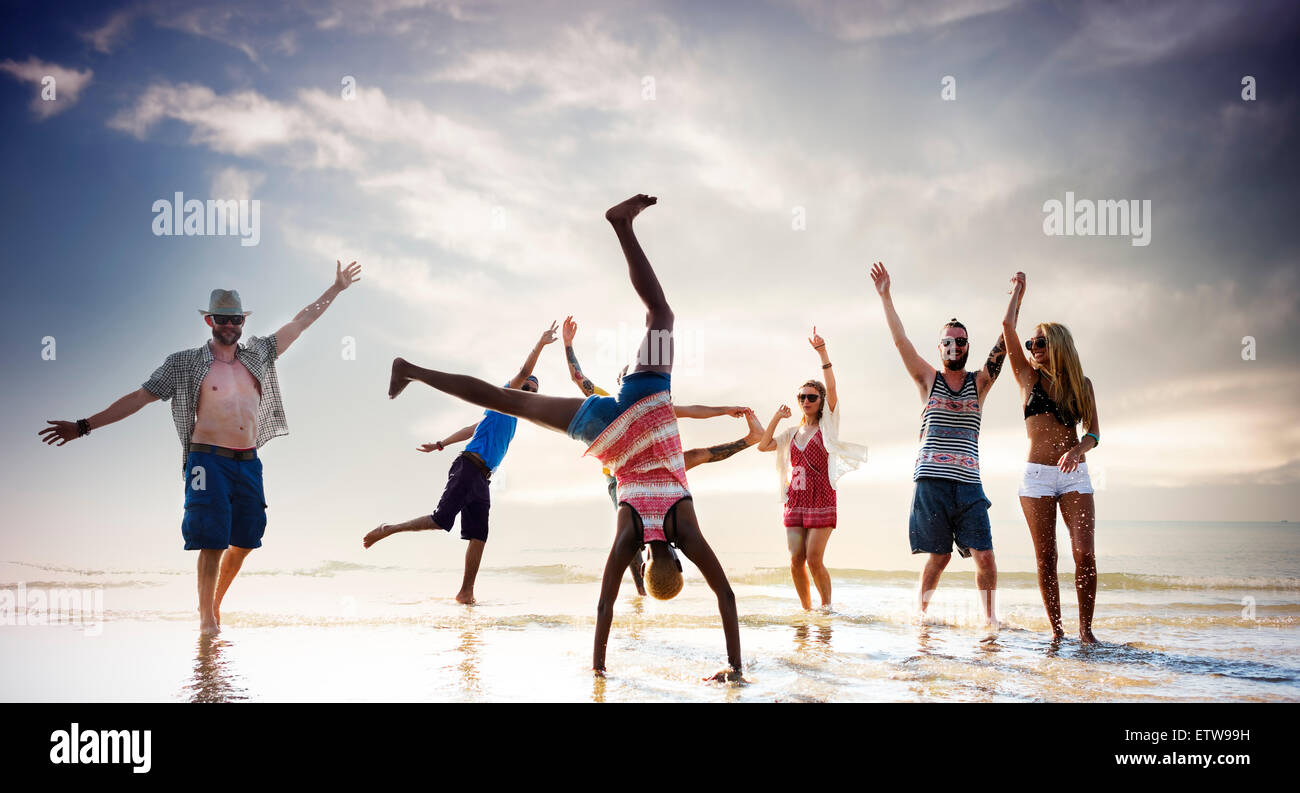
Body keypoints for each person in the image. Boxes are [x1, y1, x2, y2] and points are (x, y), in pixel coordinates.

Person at [386, 195, 744, 680]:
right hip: (607, 431)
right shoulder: (630, 537)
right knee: (508, 400)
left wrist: (736, 667)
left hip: (644, 403)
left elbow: (726, 596)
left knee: (660, 314)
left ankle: (622, 227)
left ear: (679, 566)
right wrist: (598, 673)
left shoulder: (686, 528)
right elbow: (604, 606)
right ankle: (411, 371)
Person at [39, 262, 363, 634]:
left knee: (246, 539)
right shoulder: (184, 363)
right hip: (206, 460)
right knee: (212, 539)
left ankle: (216, 603)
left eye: (236, 319)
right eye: (223, 319)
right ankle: (206, 619)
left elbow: (302, 321)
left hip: (248, 460)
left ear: (243, 322)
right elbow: (138, 398)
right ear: (210, 321)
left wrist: (335, 289)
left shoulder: (259, 353)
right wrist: (83, 426)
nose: (230, 325)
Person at [560, 315, 765, 596]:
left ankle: (749, 439)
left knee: (696, 455)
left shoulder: (653, 403)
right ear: (620, 384)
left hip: (659, 466)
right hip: (625, 480)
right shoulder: (606, 402)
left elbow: (691, 409)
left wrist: (725, 409)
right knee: (633, 537)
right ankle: (643, 590)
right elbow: (578, 378)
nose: (631, 384)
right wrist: (568, 345)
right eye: (625, 380)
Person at [361, 323, 559, 605]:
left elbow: (471, 429)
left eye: (534, 391)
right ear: (516, 385)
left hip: (483, 477)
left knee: (479, 535)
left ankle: (466, 592)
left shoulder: (510, 418)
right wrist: (539, 345)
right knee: (442, 521)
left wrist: (441, 443)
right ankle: (388, 529)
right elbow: (525, 372)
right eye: (527, 386)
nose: (530, 391)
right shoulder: (503, 398)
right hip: (468, 467)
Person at [868, 261, 1008, 628]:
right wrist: (885, 296)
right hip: (931, 482)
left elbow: (1003, 344)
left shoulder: (980, 383)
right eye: (948, 341)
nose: (954, 346)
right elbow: (901, 342)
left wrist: (1015, 301)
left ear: (966, 346)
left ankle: (990, 622)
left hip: (969, 483)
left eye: (960, 341)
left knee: (986, 556)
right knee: (940, 557)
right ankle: (921, 616)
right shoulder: (929, 379)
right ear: (941, 347)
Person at [1001, 272, 1101, 644]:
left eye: (1039, 341)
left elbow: (1093, 432)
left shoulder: (1082, 383)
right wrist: (1017, 294)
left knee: (1084, 555)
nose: (1032, 346)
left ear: (1057, 343)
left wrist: (1078, 449)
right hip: (1036, 478)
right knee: (1047, 559)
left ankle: (1086, 632)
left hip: (1075, 475)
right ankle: (1058, 634)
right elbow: (1007, 325)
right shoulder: (1027, 377)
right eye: (1030, 342)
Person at [757, 328, 868, 609]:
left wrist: (822, 353)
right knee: (795, 559)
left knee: (814, 558)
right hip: (795, 498)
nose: (806, 401)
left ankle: (826, 609)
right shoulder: (791, 432)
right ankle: (806, 612)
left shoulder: (828, 425)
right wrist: (776, 417)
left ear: (820, 403)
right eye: (801, 397)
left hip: (821, 496)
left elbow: (832, 388)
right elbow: (763, 444)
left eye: (811, 397)